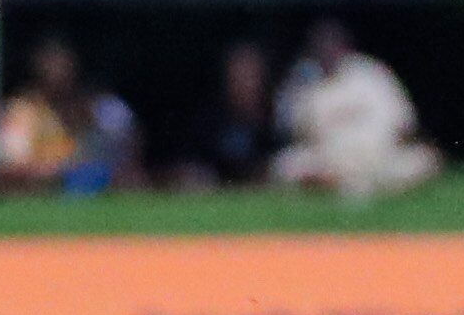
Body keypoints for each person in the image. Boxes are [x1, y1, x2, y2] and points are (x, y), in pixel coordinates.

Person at [270, 21, 441, 198]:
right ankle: (344, 182)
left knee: (423, 160)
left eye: (333, 43)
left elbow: (404, 124)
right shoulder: (302, 80)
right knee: (284, 166)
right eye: (321, 44)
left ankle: (352, 182)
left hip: (378, 157)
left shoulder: (371, 74)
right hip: (326, 160)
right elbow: (290, 129)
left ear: (345, 46)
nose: (327, 50)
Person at [0, 38, 139, 194]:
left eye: (63, 64)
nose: (57, 71)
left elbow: (127, 155)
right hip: (44, 190)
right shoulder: (22, 111)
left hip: (96, 187)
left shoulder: (98, 107)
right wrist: (60, 169)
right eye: (50, 65)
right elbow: (12, 167)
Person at [177, 42, 278, 187]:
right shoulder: (209, 122)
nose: (244, 84)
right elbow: (188, 162)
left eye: (250, 76)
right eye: (238, 76)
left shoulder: (275, 120)